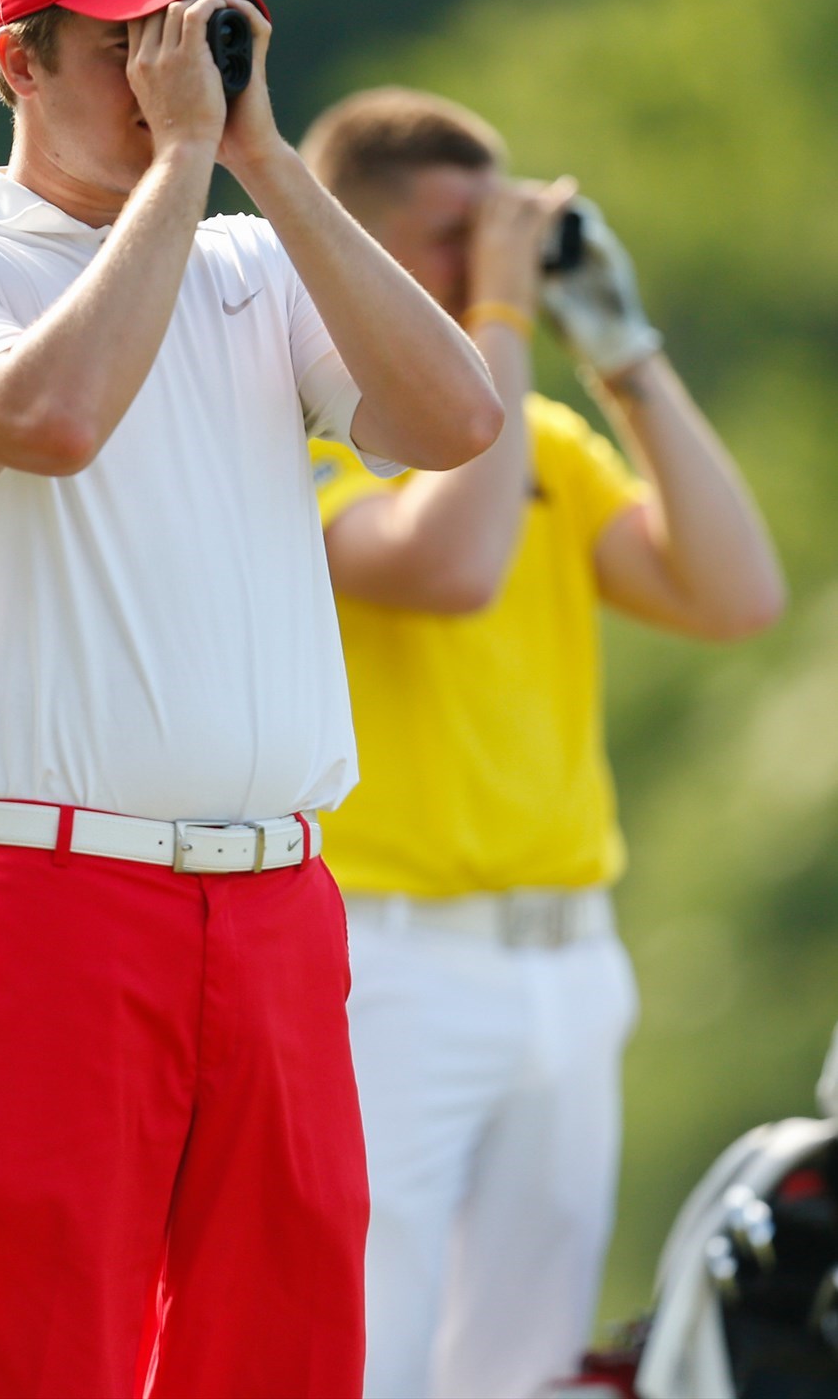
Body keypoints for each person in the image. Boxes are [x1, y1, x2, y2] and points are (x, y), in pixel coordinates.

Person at [0, 0, 503, 1399]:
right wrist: (190, 160)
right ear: (17, 61)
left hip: (274, 908)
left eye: (188, 36)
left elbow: (456, 420)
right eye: (120, 42)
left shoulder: (254, 265)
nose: (162, 73)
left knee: (283, 1343)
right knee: (26, 1346)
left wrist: (258, 157)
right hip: (50, 900)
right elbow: (50, 421)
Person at [301, 85, 786, 1399]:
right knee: (370, 1351)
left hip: (568, 967)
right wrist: (500, 320)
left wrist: (623, 352)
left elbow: (736, 595)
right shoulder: (307, 435)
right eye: (466, 232)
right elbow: (448, 566)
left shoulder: (551, 445)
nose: (500, 253)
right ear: (371, 247)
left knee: (524, 1374)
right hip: (392, 967)